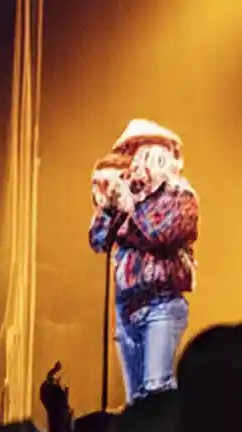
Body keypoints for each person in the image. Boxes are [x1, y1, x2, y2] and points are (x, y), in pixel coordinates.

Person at [89, 119, 199, 404]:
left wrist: (129, 210)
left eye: (143, 152)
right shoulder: (129, 195)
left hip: (160, 304)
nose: (137, 162)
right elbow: (98, 239)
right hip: (126, 306)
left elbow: (158, 233)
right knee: (135, 399)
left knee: (156, 390)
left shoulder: (181, 196)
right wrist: (109, 205)